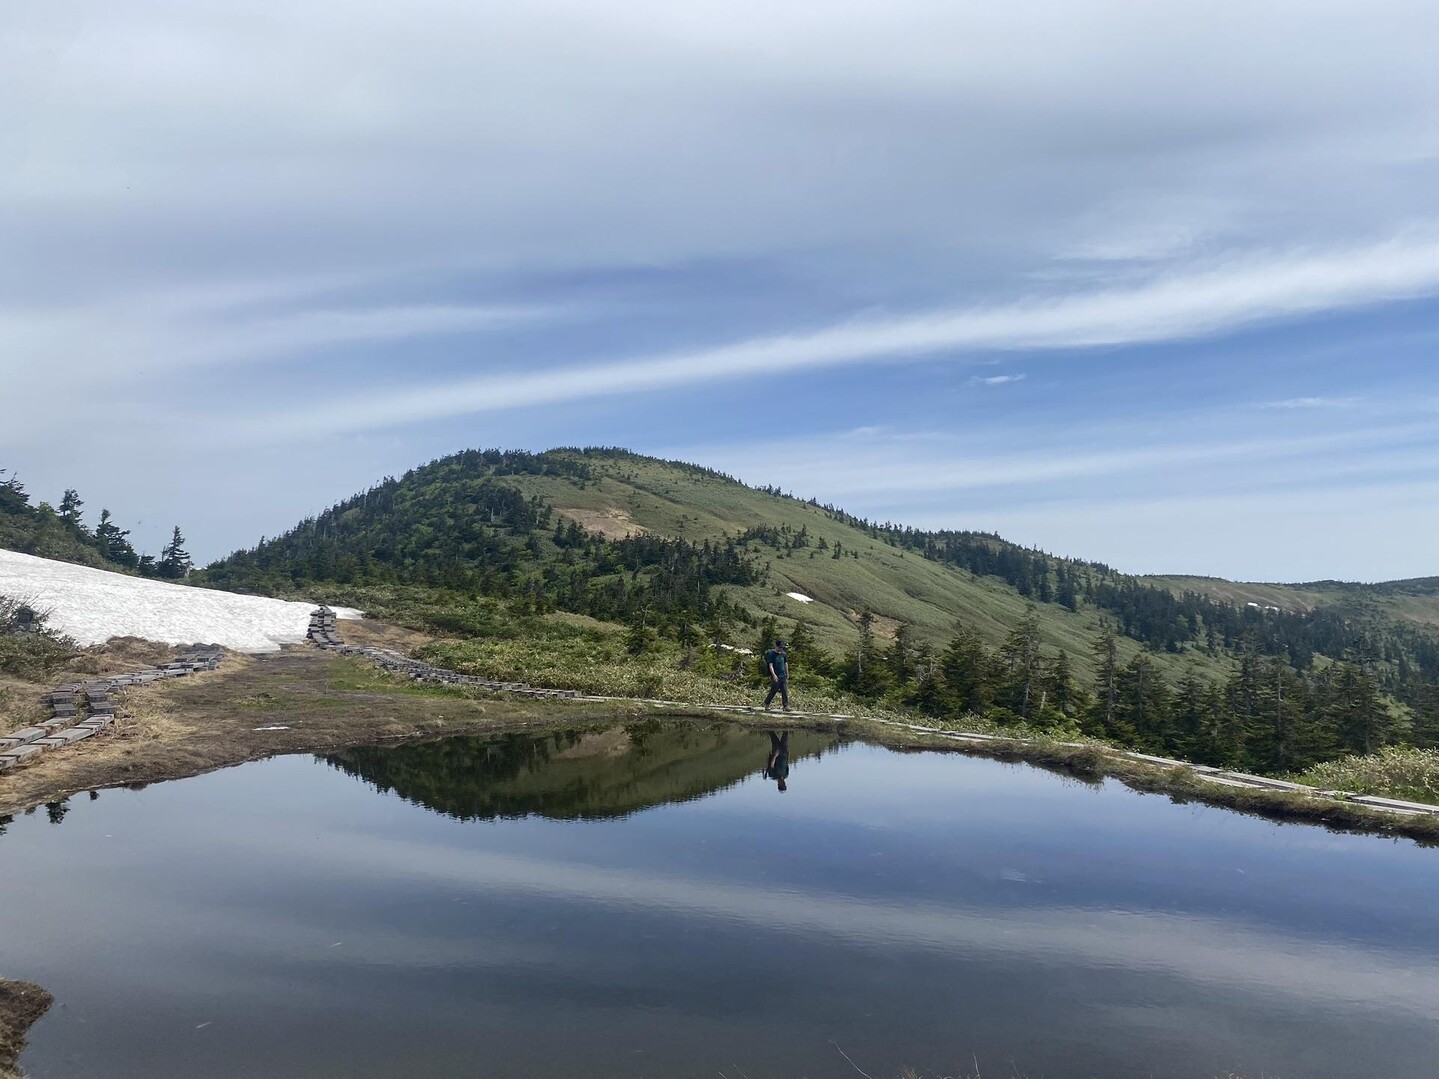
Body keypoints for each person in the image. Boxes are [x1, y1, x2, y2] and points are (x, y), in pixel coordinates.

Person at [763, 638, 789, 711]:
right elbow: (770, 665)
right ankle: (766, 703)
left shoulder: (784, 654)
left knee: (784, 690)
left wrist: (787, 674)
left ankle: (786, 705)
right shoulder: (771, 654)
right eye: (780, 647)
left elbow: (785, 664)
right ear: (776, 646)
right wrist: (774, 675)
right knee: (774, 690)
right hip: (776, 675)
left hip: (783, 675)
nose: (781, 649)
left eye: (782, 647)